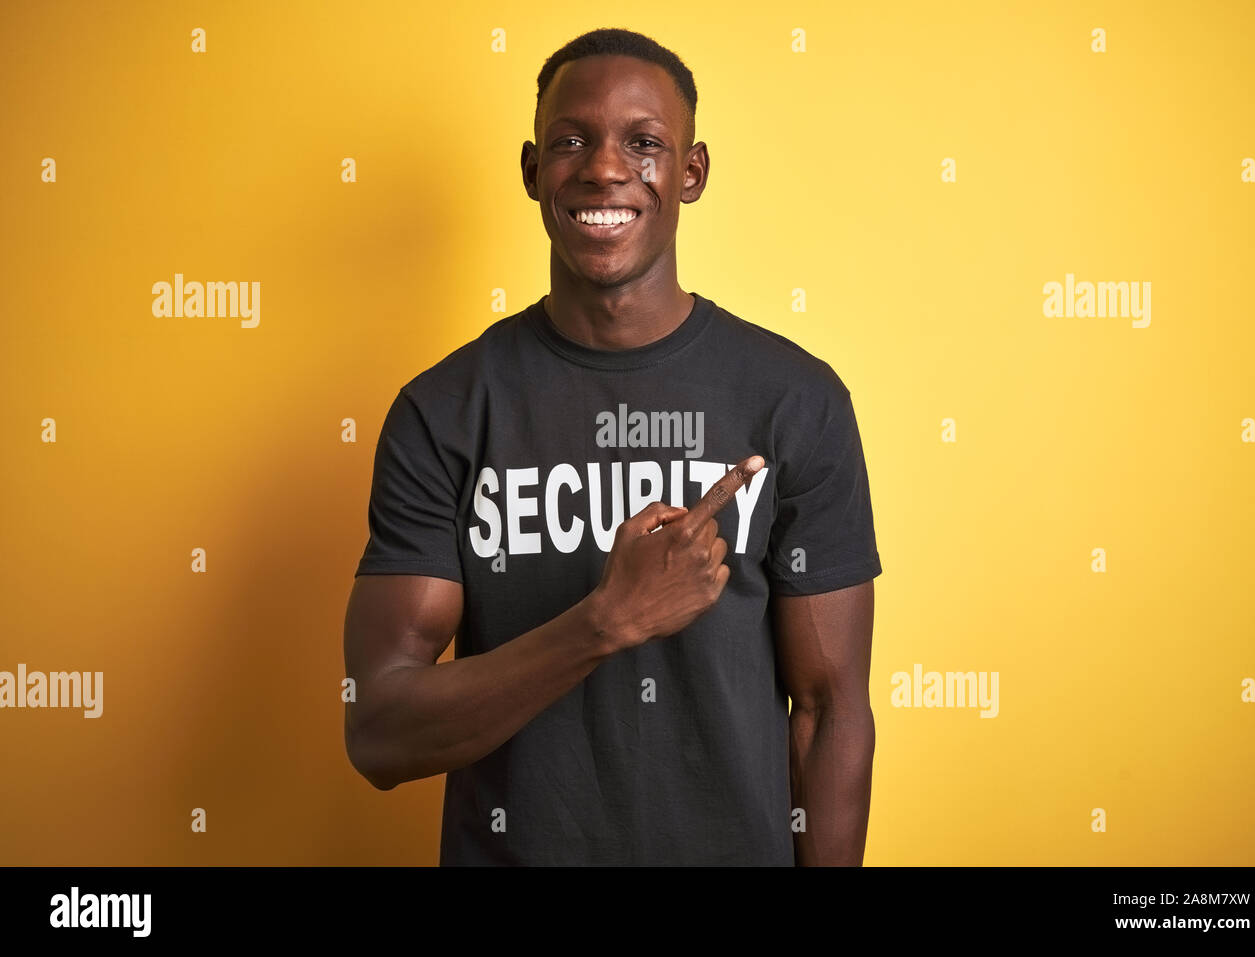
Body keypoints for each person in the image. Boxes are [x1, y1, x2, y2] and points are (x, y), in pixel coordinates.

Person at [343, 27, 883, 866]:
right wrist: (603, 622)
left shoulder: (796, 400)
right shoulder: (442, 411)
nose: (603, 167)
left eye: (644, 143)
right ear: (531, 171)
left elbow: (830, 710)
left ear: (691, 172)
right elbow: (379, 730)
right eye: (571, 140)